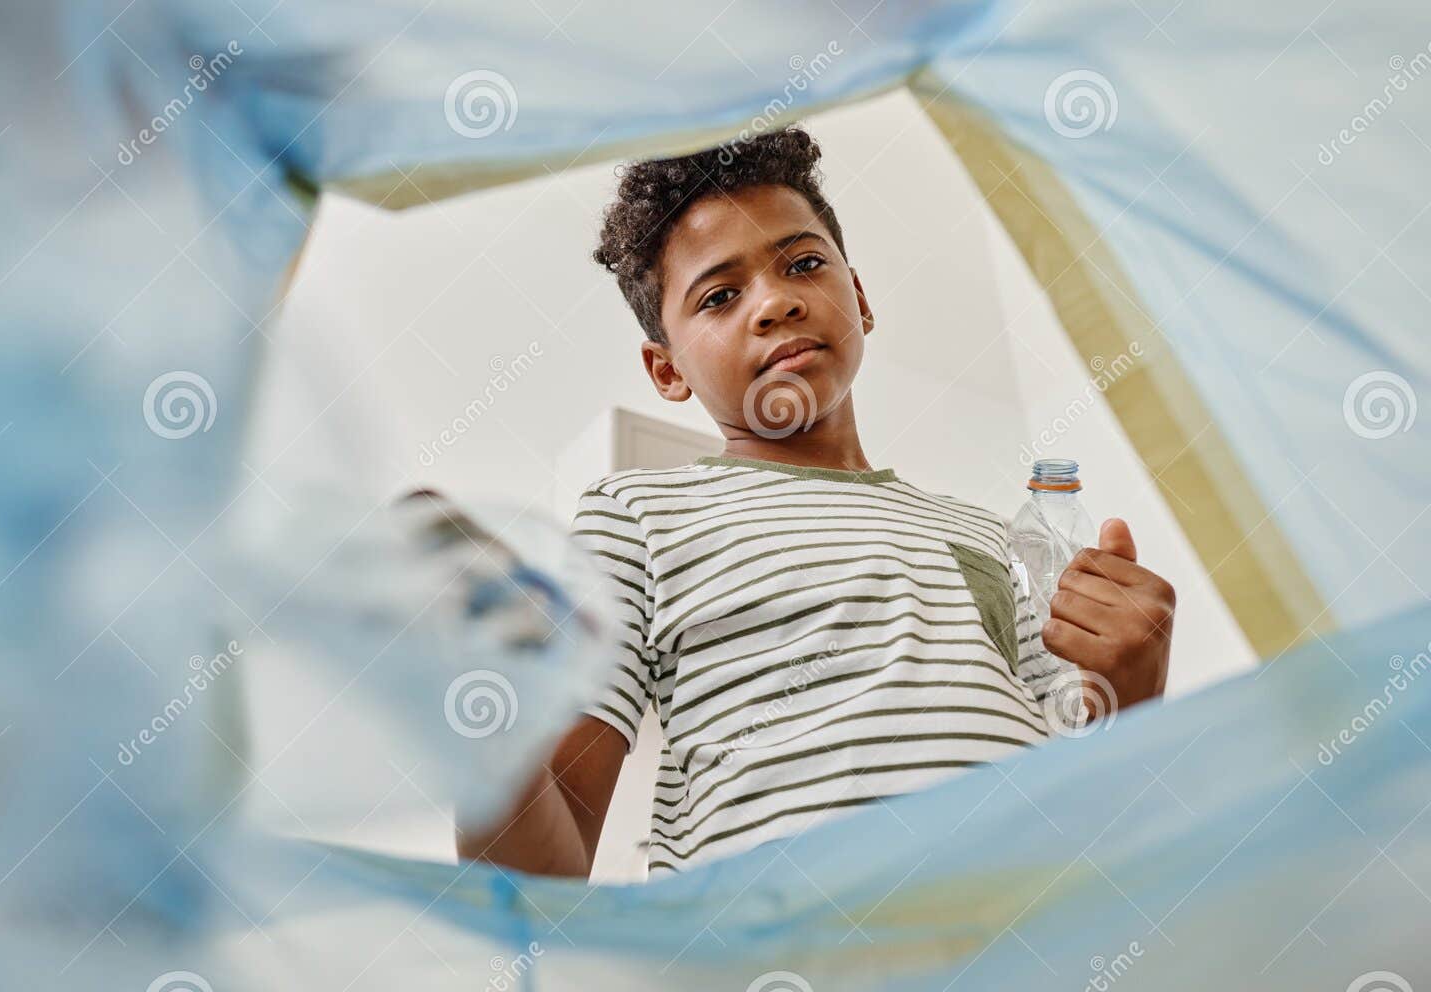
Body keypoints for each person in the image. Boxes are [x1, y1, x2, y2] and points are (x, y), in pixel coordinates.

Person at [457, 126, 1174, 878]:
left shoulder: (998, 537)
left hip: (1025, 953)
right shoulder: (636, 516)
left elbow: (1098, 818)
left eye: (802, 263)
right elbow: (535, 871)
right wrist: (480, 718)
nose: (774, 302)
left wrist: (1130, 700)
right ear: (666, 370)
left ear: (858, 298)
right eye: (721, 295)